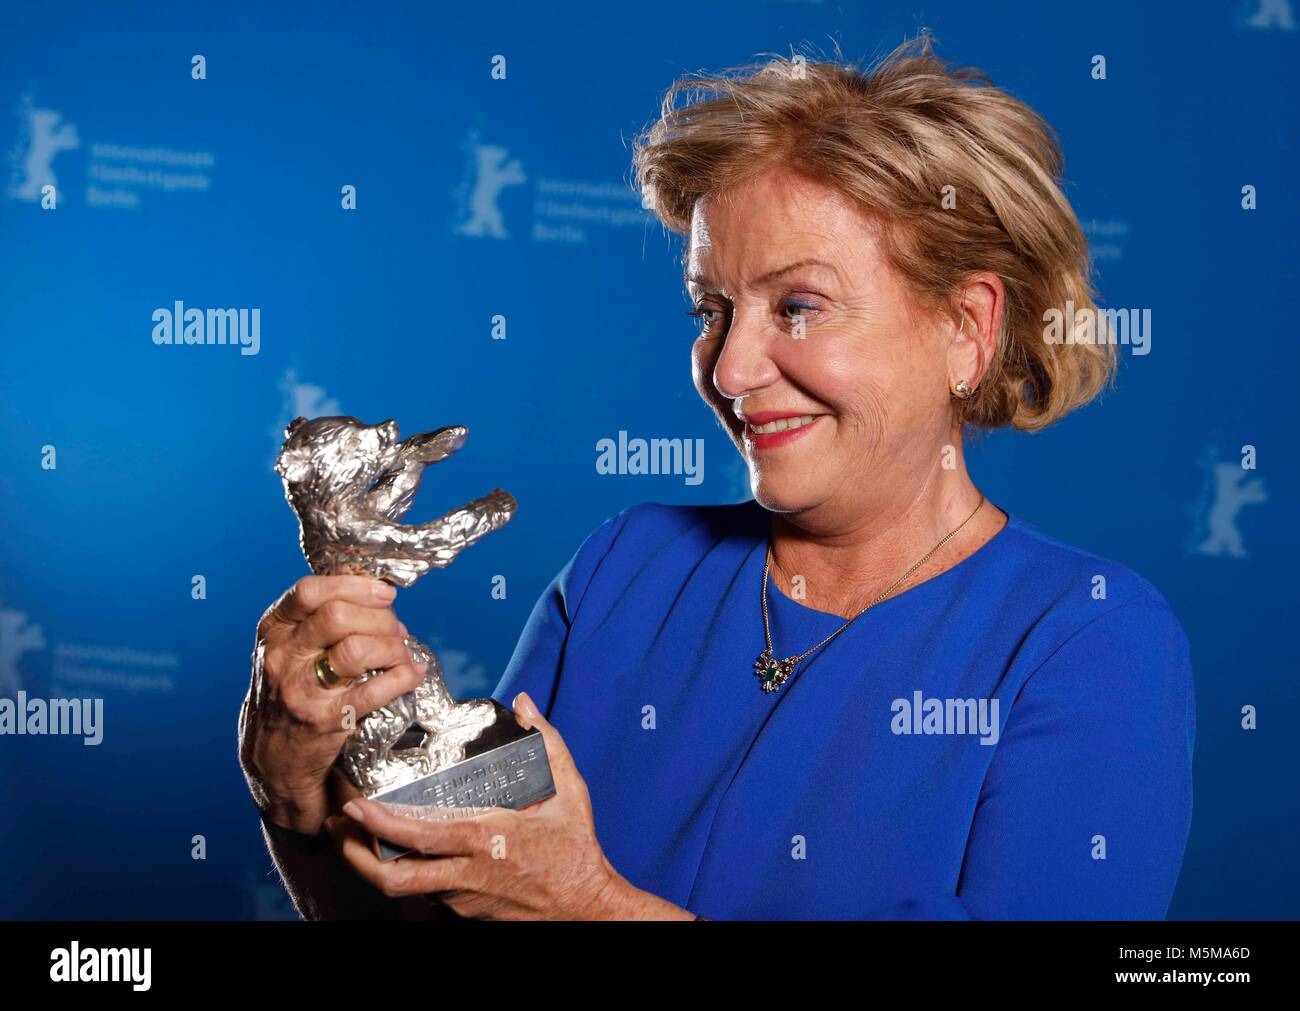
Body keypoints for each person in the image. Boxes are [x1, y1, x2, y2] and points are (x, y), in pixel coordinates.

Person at [238, 34, 1194, 920]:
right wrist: (293, 798)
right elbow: (441, 914)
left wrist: (595, 908)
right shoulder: (624, 568)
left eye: (801, 305)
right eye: (712, 308)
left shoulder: (1087, 641)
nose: (730, 371)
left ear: (966, 330)